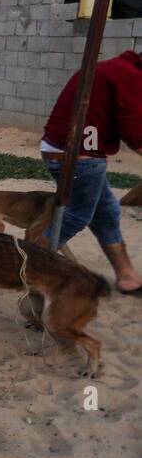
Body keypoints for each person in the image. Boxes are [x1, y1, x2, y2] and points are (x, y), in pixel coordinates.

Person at [40, 48, 142, 293]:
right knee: (76, 216)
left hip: (63, 148)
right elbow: (135, 132)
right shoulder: (129, 76)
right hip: (79, 156)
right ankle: (21, 267)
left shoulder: (114, 68)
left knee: (106, 212)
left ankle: (127, 276)